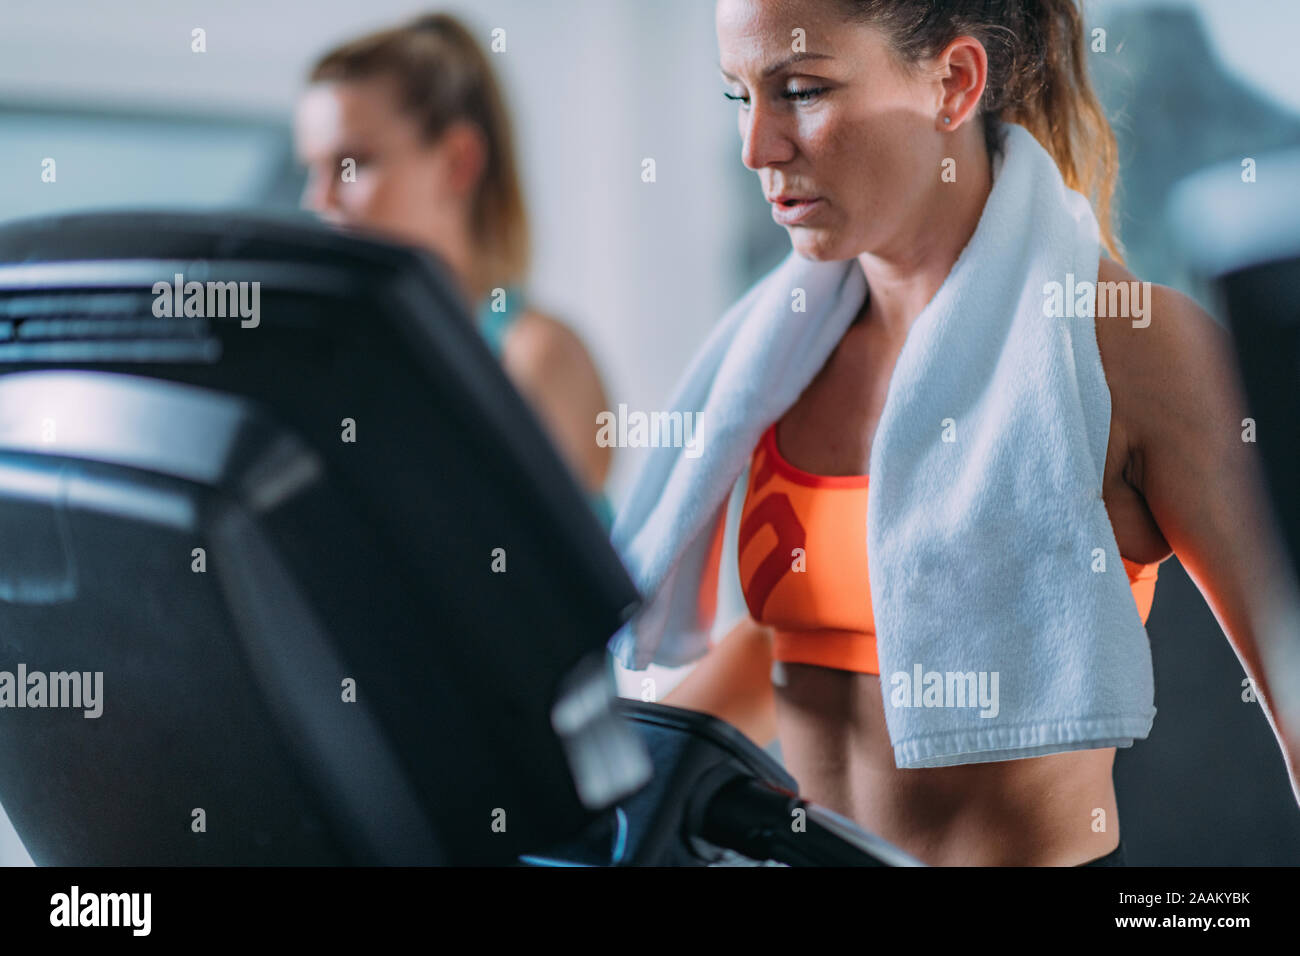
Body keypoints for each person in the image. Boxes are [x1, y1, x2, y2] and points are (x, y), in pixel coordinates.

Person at [626, 0, 1300, 866]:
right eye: (738, 97)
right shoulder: (775, 362)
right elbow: (818, 626)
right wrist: (595, 768)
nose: (758, 148)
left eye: (800, 90)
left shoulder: (1131, 348)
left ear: (953, 83)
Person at [294, 12, 615, 527]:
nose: (320, 199)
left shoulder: (536, 359)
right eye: (312, 169)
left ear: (457, 162)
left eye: (351, 164)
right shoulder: (351, 365)